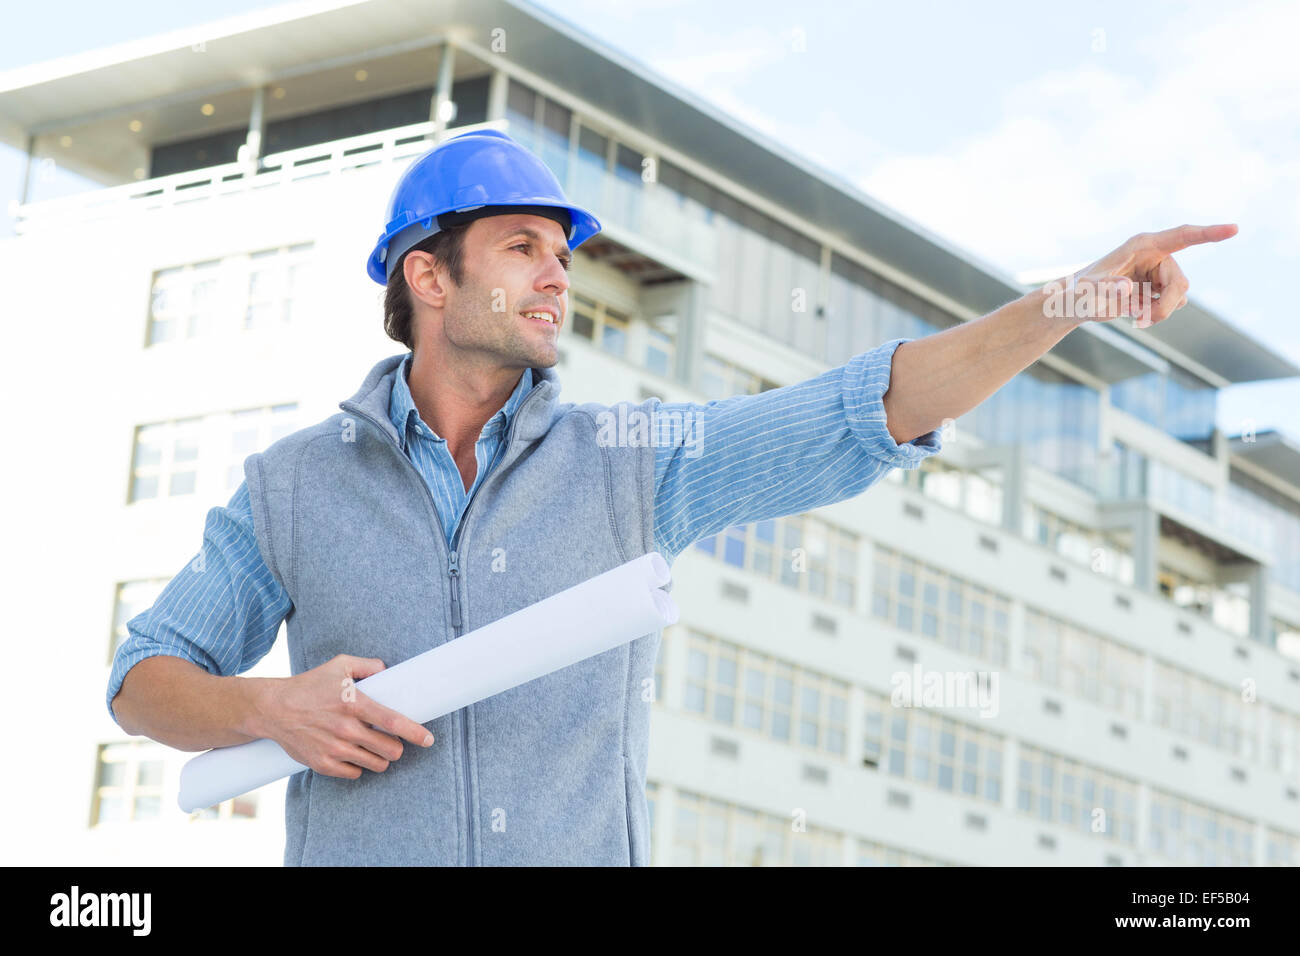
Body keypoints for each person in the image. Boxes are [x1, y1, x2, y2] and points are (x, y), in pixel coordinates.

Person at [107, 127, 1235, 865]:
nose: (558, 273)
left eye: (563, 252)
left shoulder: (633, 459)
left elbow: (869, 407)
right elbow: (144, 677)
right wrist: (268, 708)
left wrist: (1075, 296)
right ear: (428, 274)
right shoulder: (297, 484)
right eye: (521, 246)